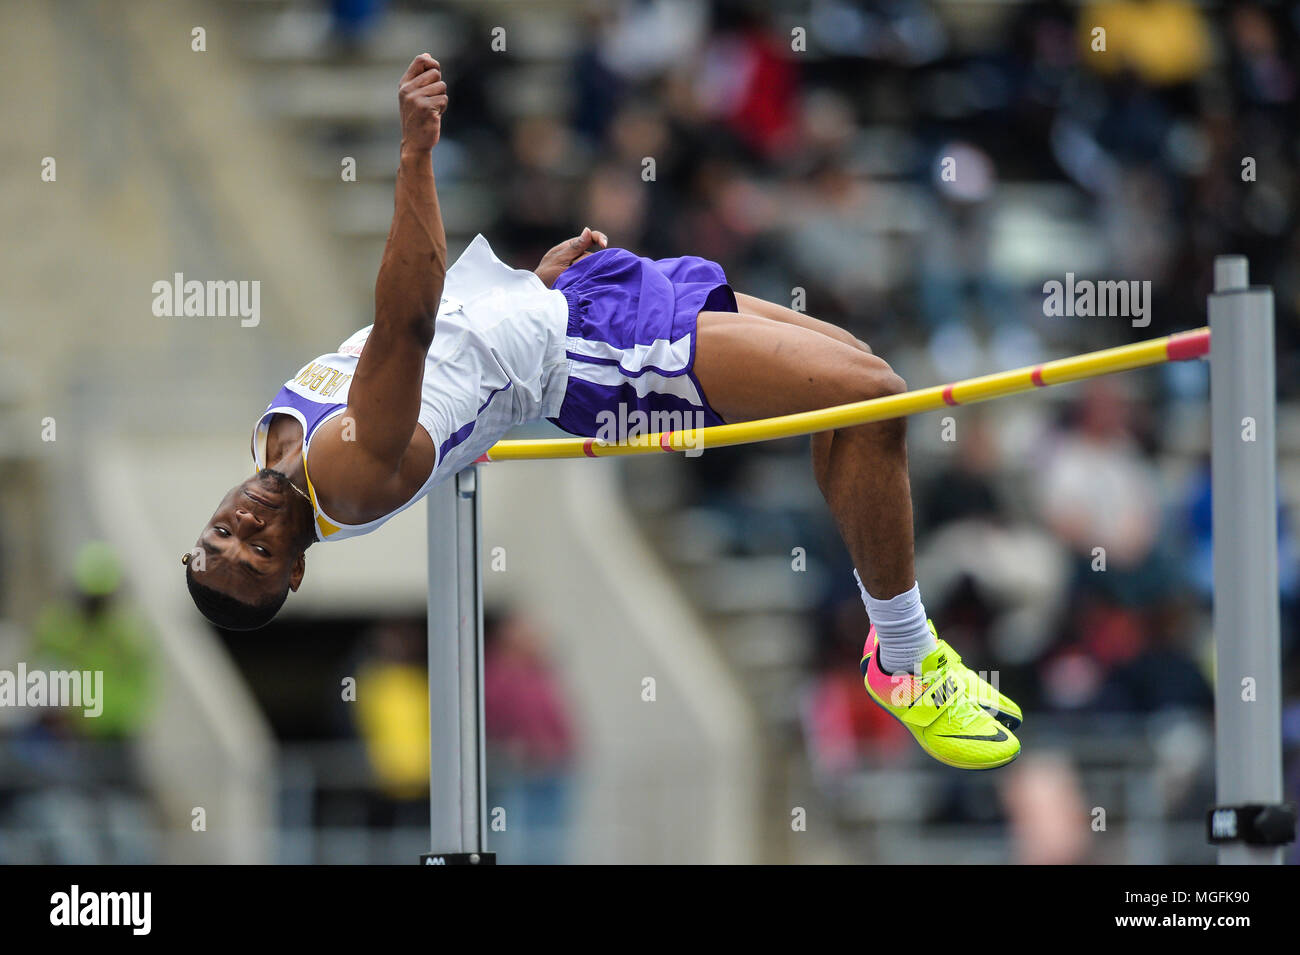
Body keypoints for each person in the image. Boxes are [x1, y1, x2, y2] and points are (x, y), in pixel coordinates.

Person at [184, 54, 1022, 770]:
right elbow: (408, 323)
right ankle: (905, 656)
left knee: (869, 376)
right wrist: (414, 153)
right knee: (872, 398)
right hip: (596, 359)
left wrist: (525, 285)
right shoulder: (346, 478)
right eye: (257, 553)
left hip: (572, 299)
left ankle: (903, 648)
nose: (245, 526)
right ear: (294, 572)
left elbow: (457, 357)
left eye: (222, 536)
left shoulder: (272, 435)